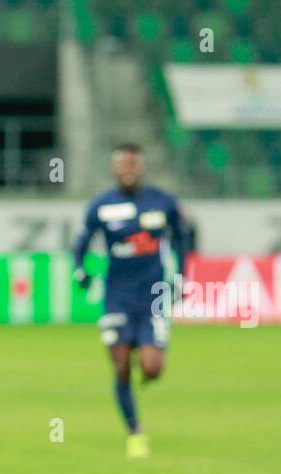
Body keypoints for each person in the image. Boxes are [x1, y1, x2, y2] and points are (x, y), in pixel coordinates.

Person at [72, 144, 186, 458]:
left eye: (133, 164)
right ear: (114, 169)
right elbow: (80, 244)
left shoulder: (162, 203)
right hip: (117, 298)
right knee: (120, 367)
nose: (128, 170)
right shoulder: (101, 206)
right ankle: (135, 432)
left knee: (152, 368)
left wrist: (181, 276)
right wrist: (80, 272)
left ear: (142, 167)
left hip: (152, 298)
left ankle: (142, 354)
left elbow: (182, 238)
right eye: (123, 165)